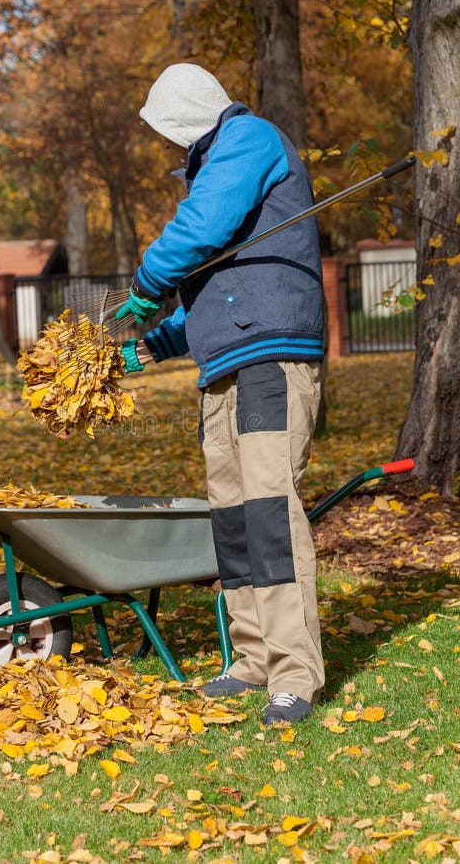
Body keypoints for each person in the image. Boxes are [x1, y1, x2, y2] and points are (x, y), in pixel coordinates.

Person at [118, 63, 324, 726]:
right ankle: (253, 658)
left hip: (270, 359)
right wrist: (157, 343)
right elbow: (219, 284)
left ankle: (294, 674)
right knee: (233, 519)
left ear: (185, 117)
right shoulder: (220, 162)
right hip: (224, 366)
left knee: (268, 513)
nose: (168, 144)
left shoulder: (248, 139)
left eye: (168, 131)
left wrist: (146, 283)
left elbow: (201, 228)